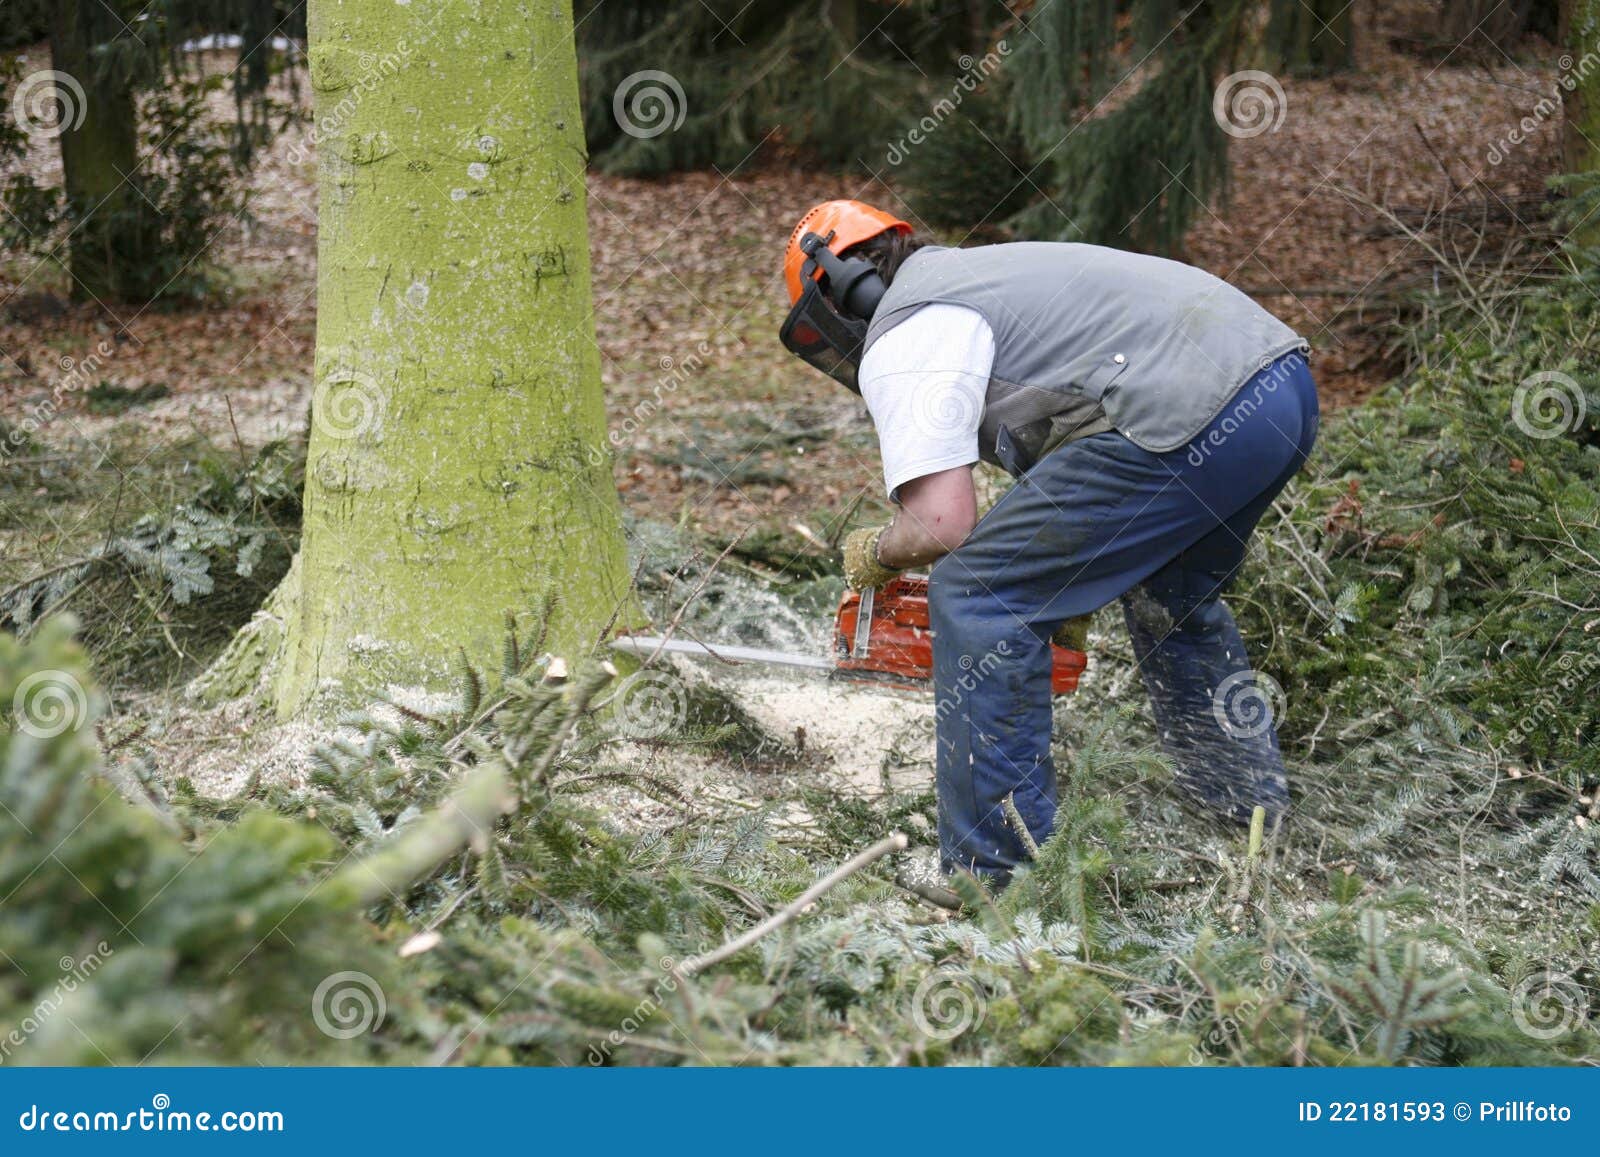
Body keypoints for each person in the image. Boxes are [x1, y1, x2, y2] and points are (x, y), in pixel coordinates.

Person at [778, 200, 1319, 882]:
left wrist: (877, 553)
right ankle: (1244, 813)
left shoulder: (907, 328)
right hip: (1279, 388)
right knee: (1172, 599)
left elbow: (942, 525)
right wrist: (1066, 587)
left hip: (1183, 413)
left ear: (840, 293)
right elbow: (1075, 467)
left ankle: (995, 873)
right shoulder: (987, 283)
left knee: (978, 594)